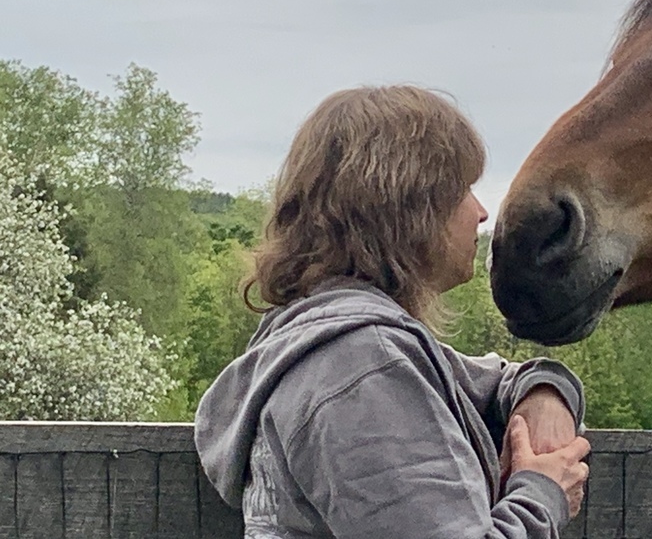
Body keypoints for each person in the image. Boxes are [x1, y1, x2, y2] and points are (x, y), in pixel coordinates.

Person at [193, 85, 591, 538]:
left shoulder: (347, 344)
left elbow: (495, 380)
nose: (480, 213)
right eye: (462, 190)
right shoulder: (361, 367)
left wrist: (545, 392)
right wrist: (543, 493)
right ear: (409, 207)